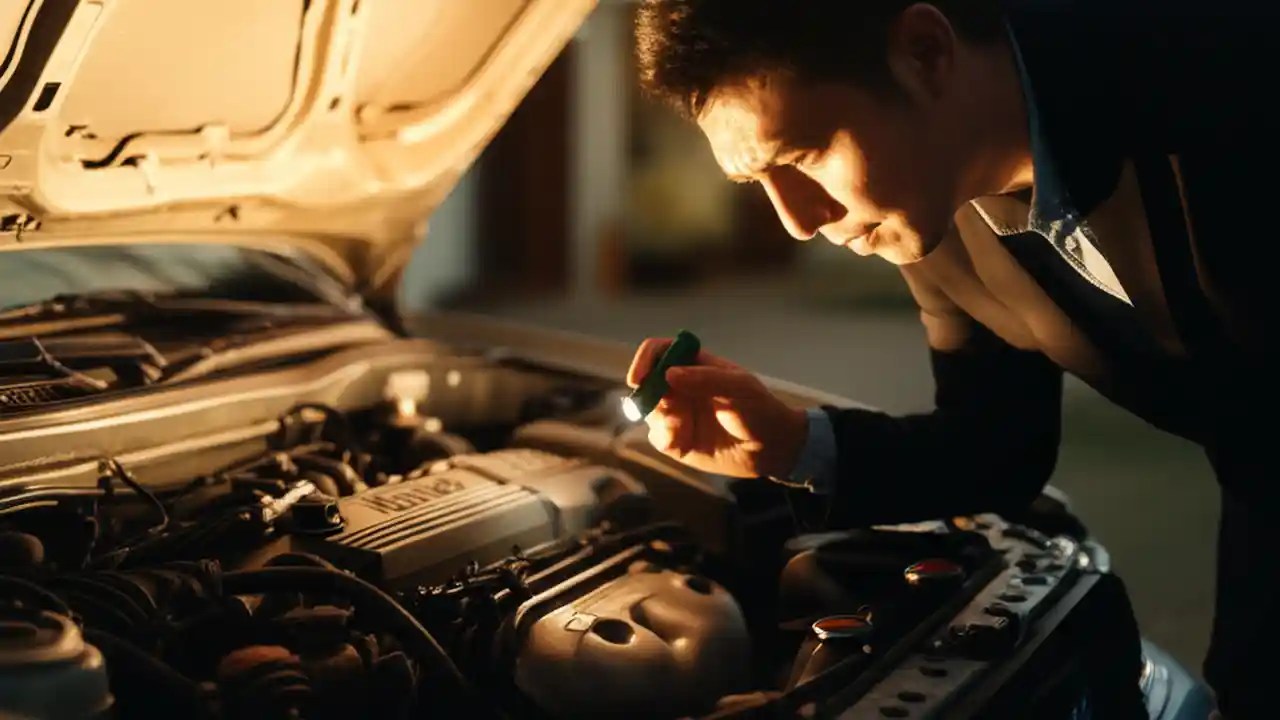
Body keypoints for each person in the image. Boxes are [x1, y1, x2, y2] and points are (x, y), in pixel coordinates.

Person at [626, 1, 1280, 717]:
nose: (799, 222)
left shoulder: (1229, 71)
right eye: (758, 184)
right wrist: (789, 443)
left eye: (802, 158)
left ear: (927, 53)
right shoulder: (931, 204)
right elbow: (999, 442)